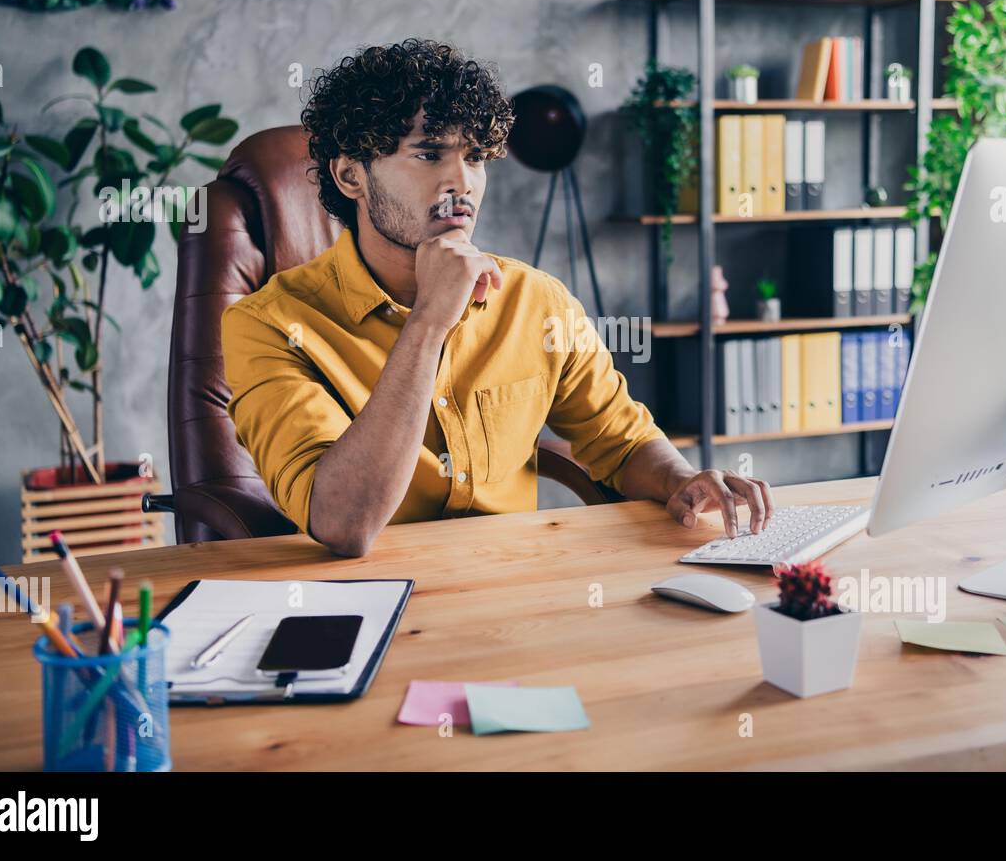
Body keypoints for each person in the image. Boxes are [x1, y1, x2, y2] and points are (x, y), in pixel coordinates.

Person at [222, 38, 772, 556]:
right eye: (429, 153)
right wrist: (430, 322)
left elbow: (621, 442)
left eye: (475, 157)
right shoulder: (269, 325)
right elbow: (343, 522)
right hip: (372, 598)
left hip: (511, 585)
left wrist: (680, 480)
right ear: (350, 176)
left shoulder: (537, 301)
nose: (461, 182)